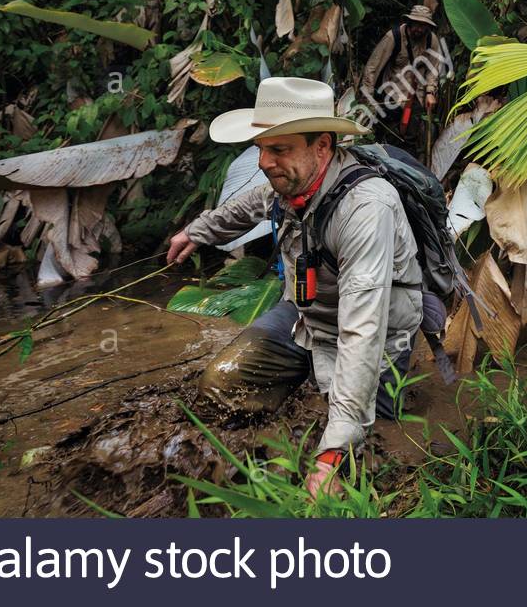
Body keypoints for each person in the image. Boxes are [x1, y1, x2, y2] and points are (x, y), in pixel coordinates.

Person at [166, 77, 424, 500]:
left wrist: (332, 455)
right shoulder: (287, 183)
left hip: (374, 326)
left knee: (374, 444)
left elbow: (361, 332)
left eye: (279, 149)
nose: (265, 162)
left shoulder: (366, 209)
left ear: (322, 146)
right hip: (307, 313)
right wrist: (197, 231)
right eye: (261, 149)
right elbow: (248, 206)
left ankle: (344, 426)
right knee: (221, 385)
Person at [357, 4, 445, 138]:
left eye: (423, 26)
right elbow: (372, 68)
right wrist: (368, 99)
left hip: (417, 95)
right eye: (416, 24)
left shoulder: (431, 40)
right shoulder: (394, 37)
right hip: (392, 93)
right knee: (388, 132)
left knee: (416, 132)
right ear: (410, 22)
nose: (419, 29)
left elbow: (433, 69)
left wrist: (430, 91)